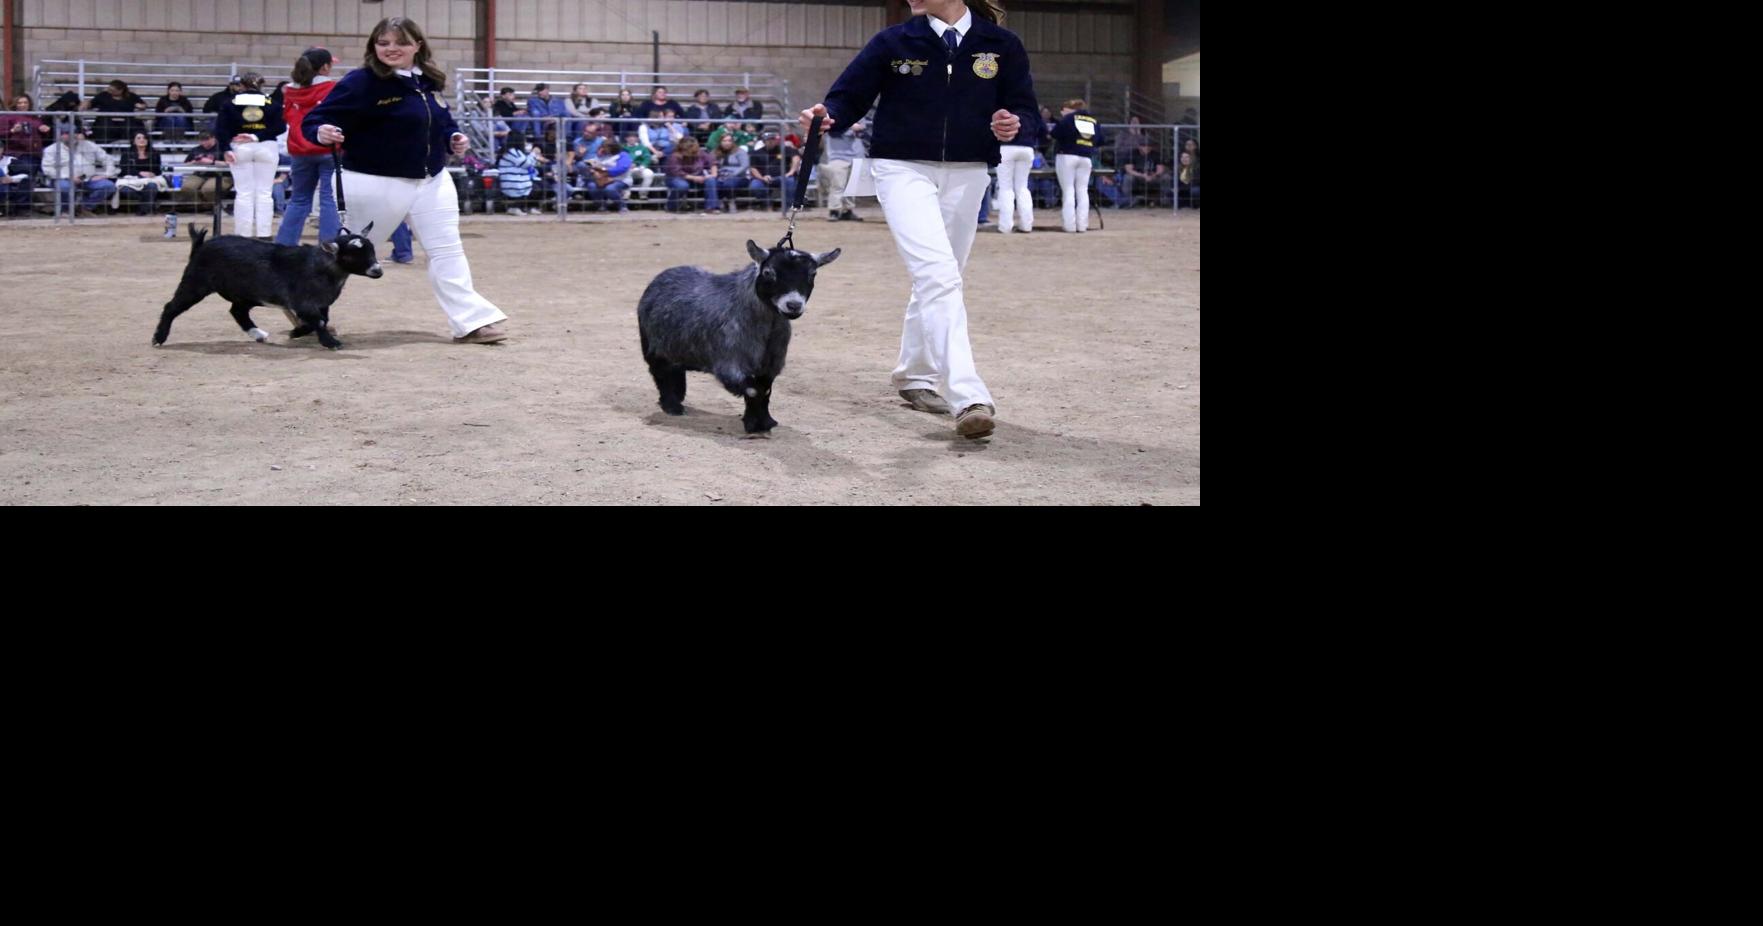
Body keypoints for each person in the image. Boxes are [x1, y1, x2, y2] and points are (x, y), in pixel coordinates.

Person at [803, 0, 1037, 439]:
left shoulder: (1001, 44)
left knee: (940, 276)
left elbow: (1025, 109)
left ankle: (914, 375)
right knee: (938, 276)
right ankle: (968, 393)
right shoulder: (894, 41)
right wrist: (826, 115)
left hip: (969, 171)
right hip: (900, 167)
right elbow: (847, 98)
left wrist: (1014, 124)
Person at [306, 16, 509, 344]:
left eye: (400, 42)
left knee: (447, 249)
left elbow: (442, 121)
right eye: (383, 43)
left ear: (417, 45)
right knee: (342, 255)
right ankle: (309, 314)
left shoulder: (427, 80)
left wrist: (453, 136)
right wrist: (321, 130)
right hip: (374, 181)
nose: (391, 49)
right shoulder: (362, 82)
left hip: (432, 180)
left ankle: (472, 322)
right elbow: (317, 118)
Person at [275, 47, 343, 245]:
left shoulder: (290, 91)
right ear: (324, 67)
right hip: (329, 149)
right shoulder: (333, 88)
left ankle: (284, 246)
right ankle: (328, 247)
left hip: (300, 149)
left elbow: (287, 117)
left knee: (299, 199)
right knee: (329, 199)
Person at [214, 72, 285, 238]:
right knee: (265, 193)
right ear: (261, 85)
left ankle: (243, 235)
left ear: (242, 85)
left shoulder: (230, 103)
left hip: (239, 147)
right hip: (266, 147)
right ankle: (264, 234)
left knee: (244, 193)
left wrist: (226, 149)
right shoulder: (272, 103)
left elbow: (221, 129)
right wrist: (256, 136)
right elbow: (280, 127)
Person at [1050, 97, 1102, 233]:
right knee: (1082, 190)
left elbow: (1055, 133)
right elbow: (1101, 140)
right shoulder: (1093, 121)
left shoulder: (1069, 119)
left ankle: (1069, 225)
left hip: (1067, 155)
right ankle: (1082, 224)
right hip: (1086, 157)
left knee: (1068, 191)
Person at [116, 130, 168, 215]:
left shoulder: (155, 153)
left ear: (148, 141)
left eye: (144, 138)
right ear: (134, 141)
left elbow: (158, 170)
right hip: (132, 181)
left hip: (149, 180)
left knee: (152, 186)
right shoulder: (127, 153)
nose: (142, 140)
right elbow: (124, 169)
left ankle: (142, 210)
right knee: (125, 190)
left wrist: (153, 173)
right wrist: (139, 173)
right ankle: (150, 204)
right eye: (139, 138)